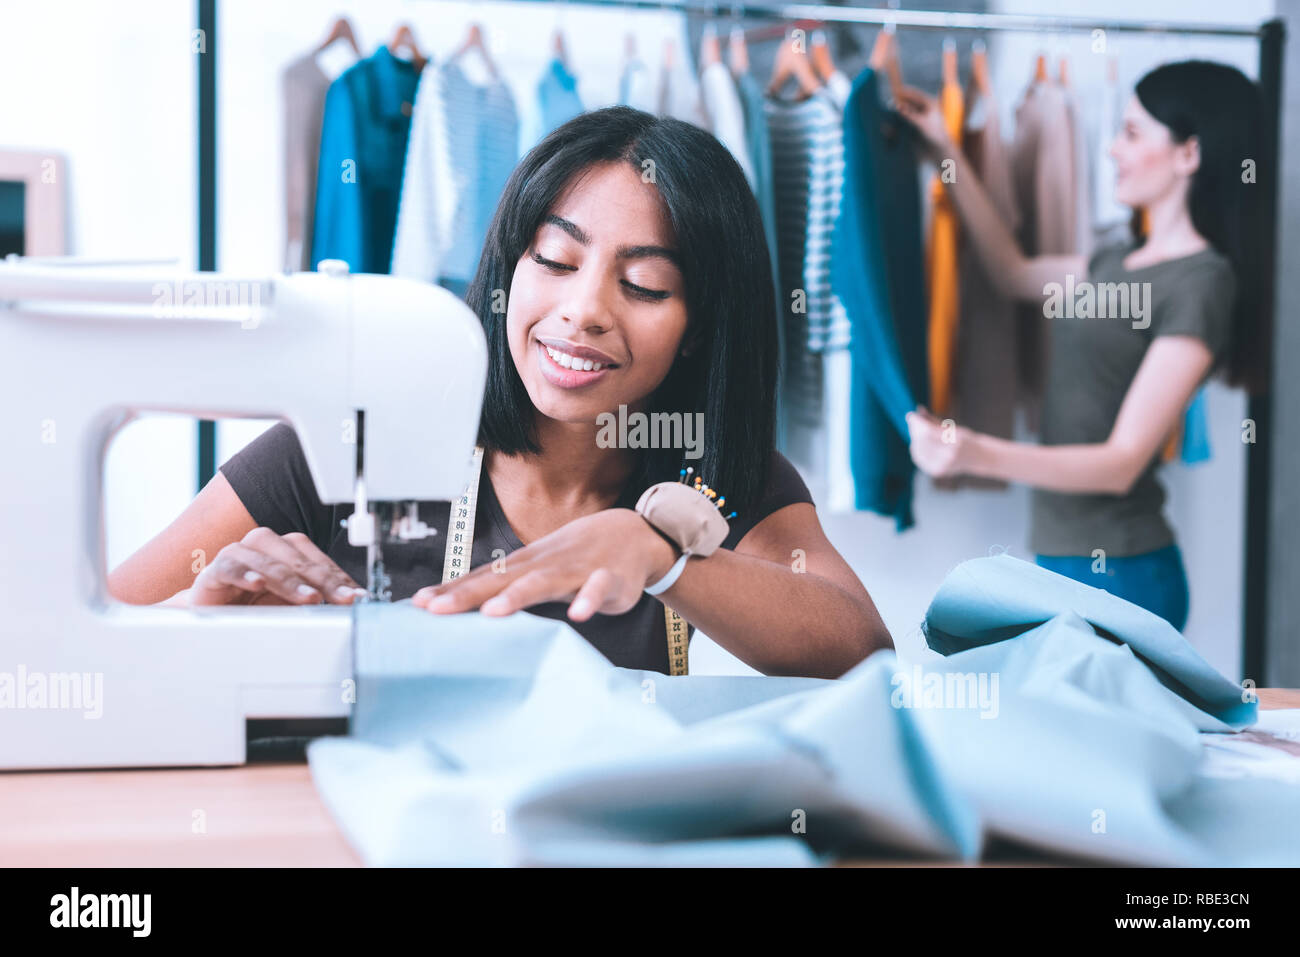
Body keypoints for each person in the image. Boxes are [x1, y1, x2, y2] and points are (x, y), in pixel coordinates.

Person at [108, 105, 892, 678]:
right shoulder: (341, 449)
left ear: (698, 325)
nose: (584, 309)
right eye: (555, 260)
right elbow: (97, 643)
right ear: (508, 269)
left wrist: (664, 561)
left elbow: (864, 650)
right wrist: (202, 620)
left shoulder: (713, 472)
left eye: (645, 284)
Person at [897, 60, 1266, 631]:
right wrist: (947, 149)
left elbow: (1120, 464)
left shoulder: (1201, 282)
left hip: (1124, 572)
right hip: (1061, 558)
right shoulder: (1115, 259)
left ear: (1188, 155)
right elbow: (1011, 272)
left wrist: (973, 452)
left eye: (1132, 133)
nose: (1113, 150)